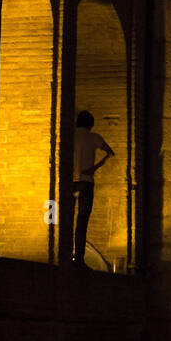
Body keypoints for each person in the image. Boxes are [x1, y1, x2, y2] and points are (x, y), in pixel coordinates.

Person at [72, 110, 114, 268]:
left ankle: (64, 255)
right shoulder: (94, 137)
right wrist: (95, 167)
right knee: (82, 221)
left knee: (67, 220)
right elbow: (110, 153)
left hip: (70, 182)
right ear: (91, 124)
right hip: (86, 182)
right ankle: (79, 259)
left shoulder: (70, 135)